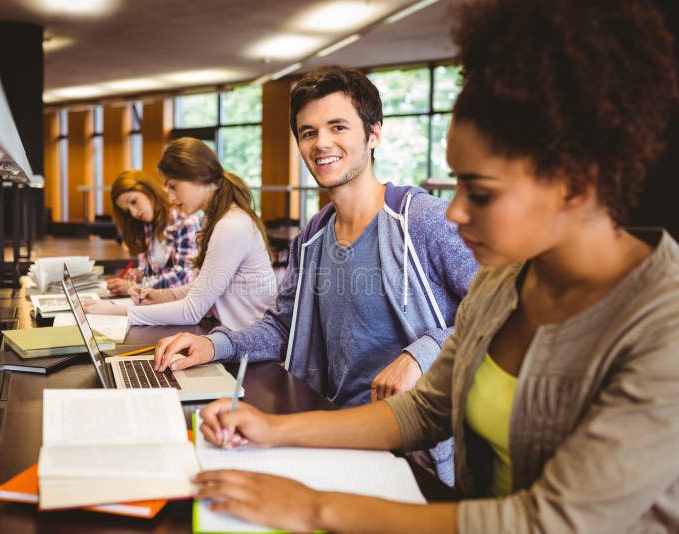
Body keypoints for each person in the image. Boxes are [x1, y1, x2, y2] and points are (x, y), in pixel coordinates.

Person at [190, 0, 679, 531]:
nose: (454, 211)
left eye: (481, 193)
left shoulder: (662, 326)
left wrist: (312, 507)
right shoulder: (504, 283)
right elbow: (424, 412)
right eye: (456, 182)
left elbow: (550, 522)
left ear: (578, 183)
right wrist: (271, 430)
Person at [154, 66, 477, 484]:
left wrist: (424, 351)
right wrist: (213, 345)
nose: (321, 142)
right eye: (308, 132)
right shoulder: (312, 237)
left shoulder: (423, 221)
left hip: (416, 455)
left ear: (374, 134)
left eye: (337, 126)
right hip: (335, 430)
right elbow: (283, 328)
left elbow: (504, 310)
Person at [87, 138, 276, 331]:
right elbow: (206, 285)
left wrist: (116, 311)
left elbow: (192, 311)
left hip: (250, 344)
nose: (169, 197)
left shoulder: (231, 225)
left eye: (173, 186)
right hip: (232, 335)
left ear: (196, 175)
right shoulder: (217, 219)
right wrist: (165, 295)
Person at [105, 170, 202, 297]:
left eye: (134, 202)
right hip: (160, 303)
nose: (134, 213)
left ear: (148, 190)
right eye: (127, 210)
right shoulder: (148, 225)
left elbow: (183, 277)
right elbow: (154, 271)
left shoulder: (186, 221)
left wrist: (136, 286)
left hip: (187, 306)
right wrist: (136, 275)